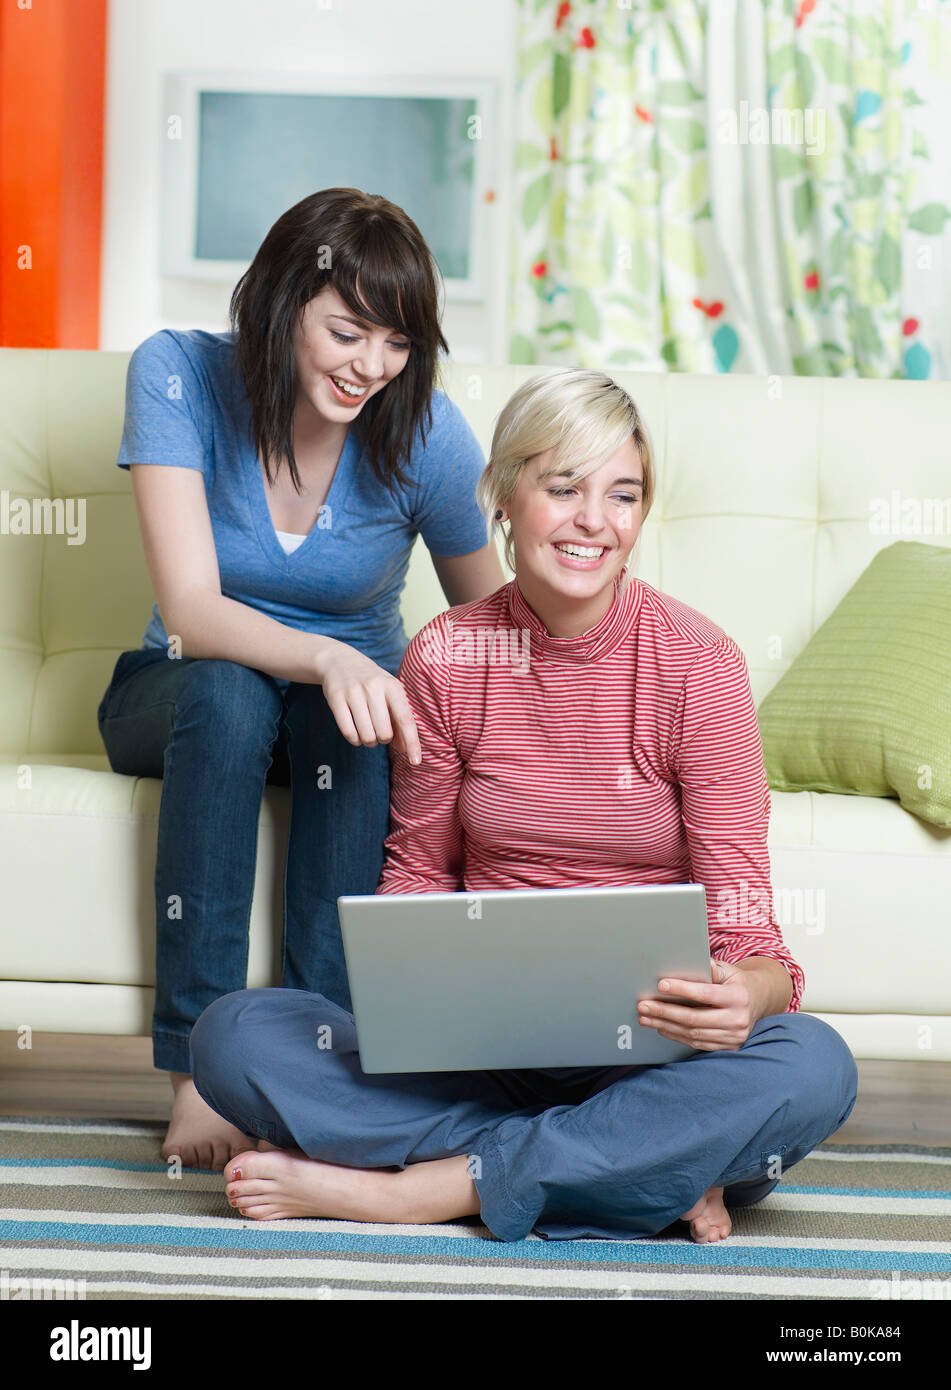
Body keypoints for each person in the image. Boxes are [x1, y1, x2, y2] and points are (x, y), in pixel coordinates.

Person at [187, 368, 858, 1243]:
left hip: (653, 1067)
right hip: (483, 1061)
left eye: (622, 494)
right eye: (564, 487)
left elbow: (748, 928)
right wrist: (414, 992)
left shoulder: (699, 664)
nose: (594, 521)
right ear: (504, 496)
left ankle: (419, 1189)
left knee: (813, 1067)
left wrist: (753, 993)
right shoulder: (449, 656)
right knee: (233, 1035)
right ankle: (634, 1175)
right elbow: (419, 869)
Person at [96, 188, 505, 1174]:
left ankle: (319, 1071)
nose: (371, 365)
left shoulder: (425, 433)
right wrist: (330, 652)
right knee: (235, 690)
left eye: (398, 341)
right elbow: (193, 607)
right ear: (282, 302)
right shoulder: (179, 375)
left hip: (335, 713)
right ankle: (198, 1070)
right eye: (347, 330)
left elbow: (487, 622)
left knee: (353, 719)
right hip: (183, 687)